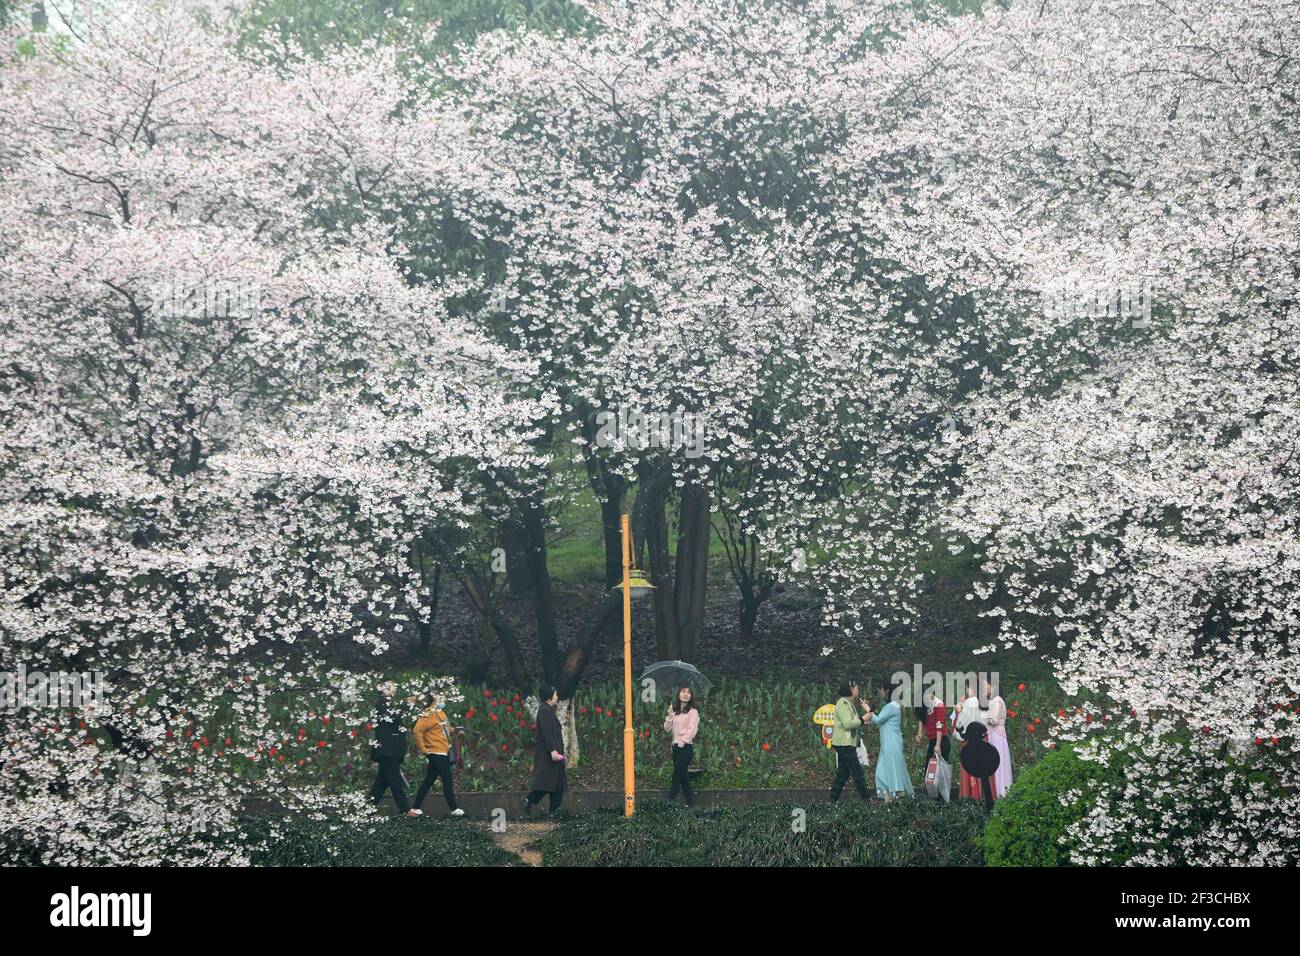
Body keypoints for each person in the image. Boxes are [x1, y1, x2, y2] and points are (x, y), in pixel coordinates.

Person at [369, 681, 419, 817]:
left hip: (392, 750)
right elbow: (392, 717)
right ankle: (405, 809)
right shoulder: (381, 703)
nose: (394, 689)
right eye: (391, 687)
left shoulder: (388, 703)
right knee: (395, 781)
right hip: (387, 750)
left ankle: (365, 809)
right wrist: (406, 704)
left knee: (381, 784)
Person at [412, 693, 464, 817]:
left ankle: (415, 808)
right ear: (433, 701)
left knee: (429, 781)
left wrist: (455, 730)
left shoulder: (440, 713)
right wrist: (424, 750)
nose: (443, 700)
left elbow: (445, 730)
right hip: (435, 752)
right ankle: (454, 809)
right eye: (440, 698)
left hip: (443, 750)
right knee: (447, 779)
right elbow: (417, 731)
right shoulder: (427, 714)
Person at [523, 685, 567, 817]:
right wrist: (553, 751)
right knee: (547, 784)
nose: (557, 697)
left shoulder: (547, 710)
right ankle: (530, 800)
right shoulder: (544, 711)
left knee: (556, 785)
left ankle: (553, 811)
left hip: (554, 753)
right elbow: (547, 733)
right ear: (549, 696)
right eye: (555, 695)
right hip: (549, 755)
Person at [871, 680, 914, 799]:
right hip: (890, 741)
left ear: (887, 691)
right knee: (887, 768)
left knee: (888, 768)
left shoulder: (891, 706)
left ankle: (895, 793)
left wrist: (868, 711)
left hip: (891, 742)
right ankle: (891, 795)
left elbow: (878, 720)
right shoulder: (893, 705)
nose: (879, 692)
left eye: (881, 689)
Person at [829, 680, 871, 801]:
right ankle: (867, 800)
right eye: (856, 688)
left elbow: (852, 721)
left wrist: (863, 720)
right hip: (844, 744)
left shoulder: (847, 703)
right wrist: (863, 719)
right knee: (857, 772)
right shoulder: (843, 704)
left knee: (843, 774)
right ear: (851, 690)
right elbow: (848, 724)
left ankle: (832, 801)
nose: (858, 690)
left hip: (845, 743)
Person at [664, 686, 700, 806]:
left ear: (691, 696)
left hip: (685, 748)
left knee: (677, 774)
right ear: (678, 695)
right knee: (683, 777)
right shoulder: (675, 712)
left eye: (688, 692)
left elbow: (692, 730)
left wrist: (682, 741)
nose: (686, 694)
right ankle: (690, 803)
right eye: (683, 692)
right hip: (675, 748)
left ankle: (669, 800)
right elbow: (667, 728)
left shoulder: (693, 712)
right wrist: (669, 715)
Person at [954, 683, 987, 801]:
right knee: (981, 767)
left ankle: (970, 797)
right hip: (983, 741)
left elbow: (961, 724)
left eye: (967, 688)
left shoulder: (969, 702)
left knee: (969, 769)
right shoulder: (984, 701)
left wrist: (959, 712)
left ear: (972, 688)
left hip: (969, 741)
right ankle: (982, 794)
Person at [982, 677, 1014, 797]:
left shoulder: (995, 700)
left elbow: (994, 721)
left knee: (997, 764)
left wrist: (983, 717)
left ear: (993, 687)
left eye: (986, 686)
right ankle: (1003, 791)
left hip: (996, 735)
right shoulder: (998, 700)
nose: (984, 688)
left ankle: (1000, 793)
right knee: (1001, 764)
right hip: (998, 734)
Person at [920, 688, 951, 797]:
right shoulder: (929, 706)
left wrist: (938, 745)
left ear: (932, 695)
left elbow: (940, 725)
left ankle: (941, 798)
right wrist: (920, 733)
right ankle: (934, 797)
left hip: (941, 741)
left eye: (928, 697)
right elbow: (922, 719)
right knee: (930, 771)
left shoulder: (939, 705)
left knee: (939, 772)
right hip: (932, 741)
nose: (926, 700)